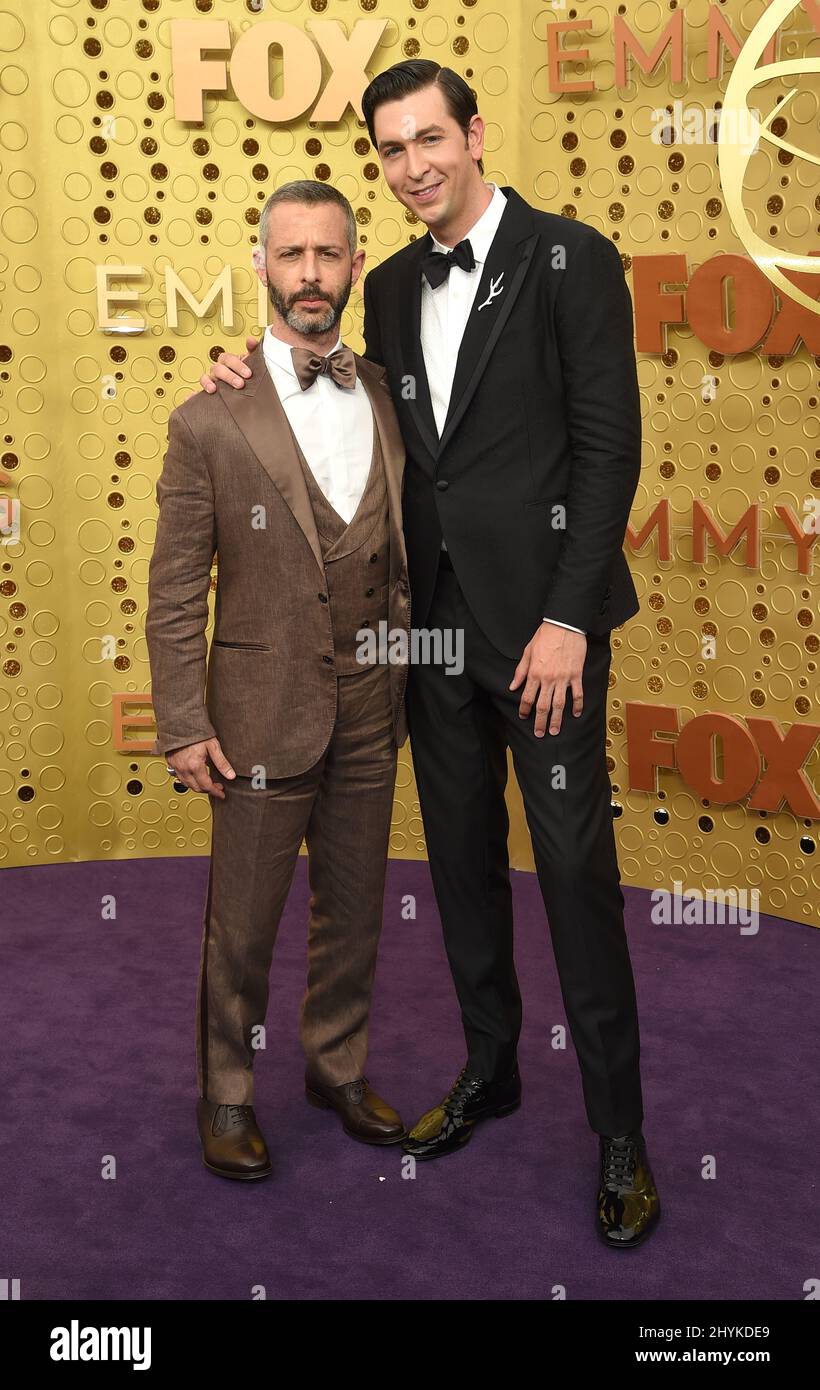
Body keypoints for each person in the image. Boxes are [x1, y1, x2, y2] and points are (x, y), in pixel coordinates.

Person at [200, 61, 660, 1248]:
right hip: (432, 639)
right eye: (392, 150)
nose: (413, 167)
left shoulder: (572, 258)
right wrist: (233, 372)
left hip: (545, 638)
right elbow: (325, 392)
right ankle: (490, 1071)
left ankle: (621, 1133)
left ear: (473, 134)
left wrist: (567, 621)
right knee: (459, 867)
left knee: (571, 875)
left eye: (429, 140)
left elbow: (609, 453)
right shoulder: (389, 285)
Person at [147, 180, 412, 1181]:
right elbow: (175, 589)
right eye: (290, 254)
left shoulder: (385, 396)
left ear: (353, 263)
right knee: (243, 920)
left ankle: (335, 1067)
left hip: (371, 702)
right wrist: (182, 720)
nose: (310, 274)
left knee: (355, 905)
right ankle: (226, 1090)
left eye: (328, 255)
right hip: (258, 712)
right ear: (262, 265)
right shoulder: (208, 418)